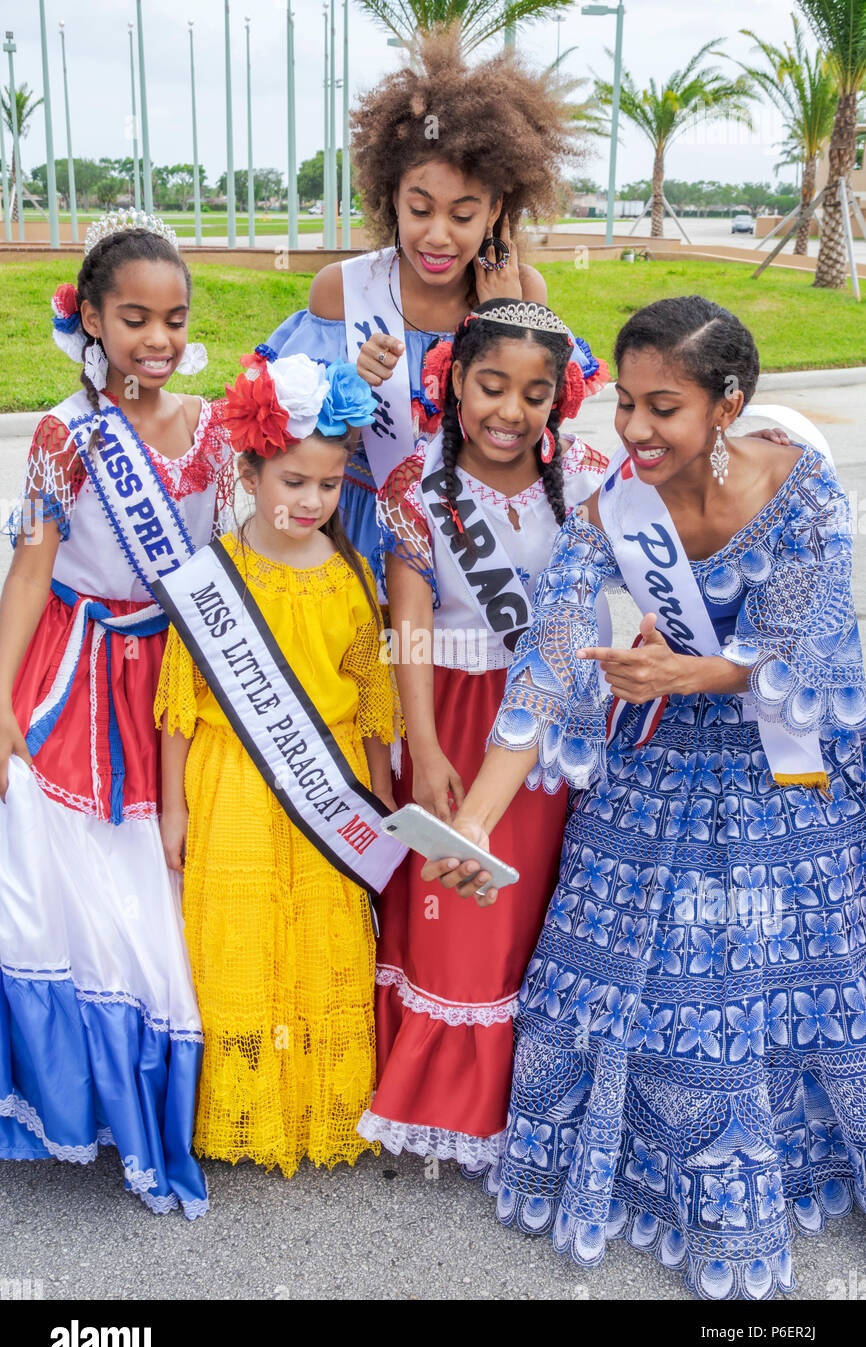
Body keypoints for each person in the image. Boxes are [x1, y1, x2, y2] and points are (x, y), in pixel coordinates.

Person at [423, 295, 866, 1299]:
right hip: (659, 751)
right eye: (623, 403)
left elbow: (808, 650)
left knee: (743, 967)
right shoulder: (612, 511)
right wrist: (477, 817)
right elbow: (543, 668)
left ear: (727, 403)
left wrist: (687, 675)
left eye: (660, 407)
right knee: (620, 962)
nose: (630, 431)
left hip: (779, 754)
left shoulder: (800, 489)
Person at [0, 212, 233, 1217]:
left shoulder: (217, 428)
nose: (157, 339)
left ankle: (156, 1087)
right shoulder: (66, 433)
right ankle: (79, 1097)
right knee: (73, 884)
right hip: (73, 670)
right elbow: (33, 565)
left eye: (173, 319)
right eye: (133, 317)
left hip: (172, 679)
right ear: (90, 318)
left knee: (161, 889)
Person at [358, 300, 610, 1163]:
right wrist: (422, 751)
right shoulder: (415, 489)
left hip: (552, 719)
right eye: (492, 385)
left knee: (536, 905)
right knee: (463, 907)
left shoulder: (582, 474)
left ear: (558, 398)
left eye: (534, 394)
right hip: (458, 715)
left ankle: (536, 1099)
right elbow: (409, 631)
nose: (511, 410)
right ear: (455, 379)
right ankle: (448, 1102)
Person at [155, 350, 403, 1178]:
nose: (311, 501)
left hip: (325, 789)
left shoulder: (353, 576)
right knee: (239, 941)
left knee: (321, 940)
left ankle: (318, 1104)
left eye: (328, 486)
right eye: (293, 481)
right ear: (252, 471)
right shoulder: (213, 575)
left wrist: (380, 808)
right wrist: (172, 810)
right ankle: (245, 1106)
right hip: (229, 785)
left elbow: (373, 705)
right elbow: (181, 707)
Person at [265, 30, 608, 571]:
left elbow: (530, 433)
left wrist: (500, 319)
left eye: (463, 215)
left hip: (469, 538)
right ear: (392, 199)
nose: (438, 236)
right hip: (356, 527)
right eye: (420, 210)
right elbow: (286, 439)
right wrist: (347, 381)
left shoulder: (526, 293)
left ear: (496, 211)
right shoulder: (342, 290)